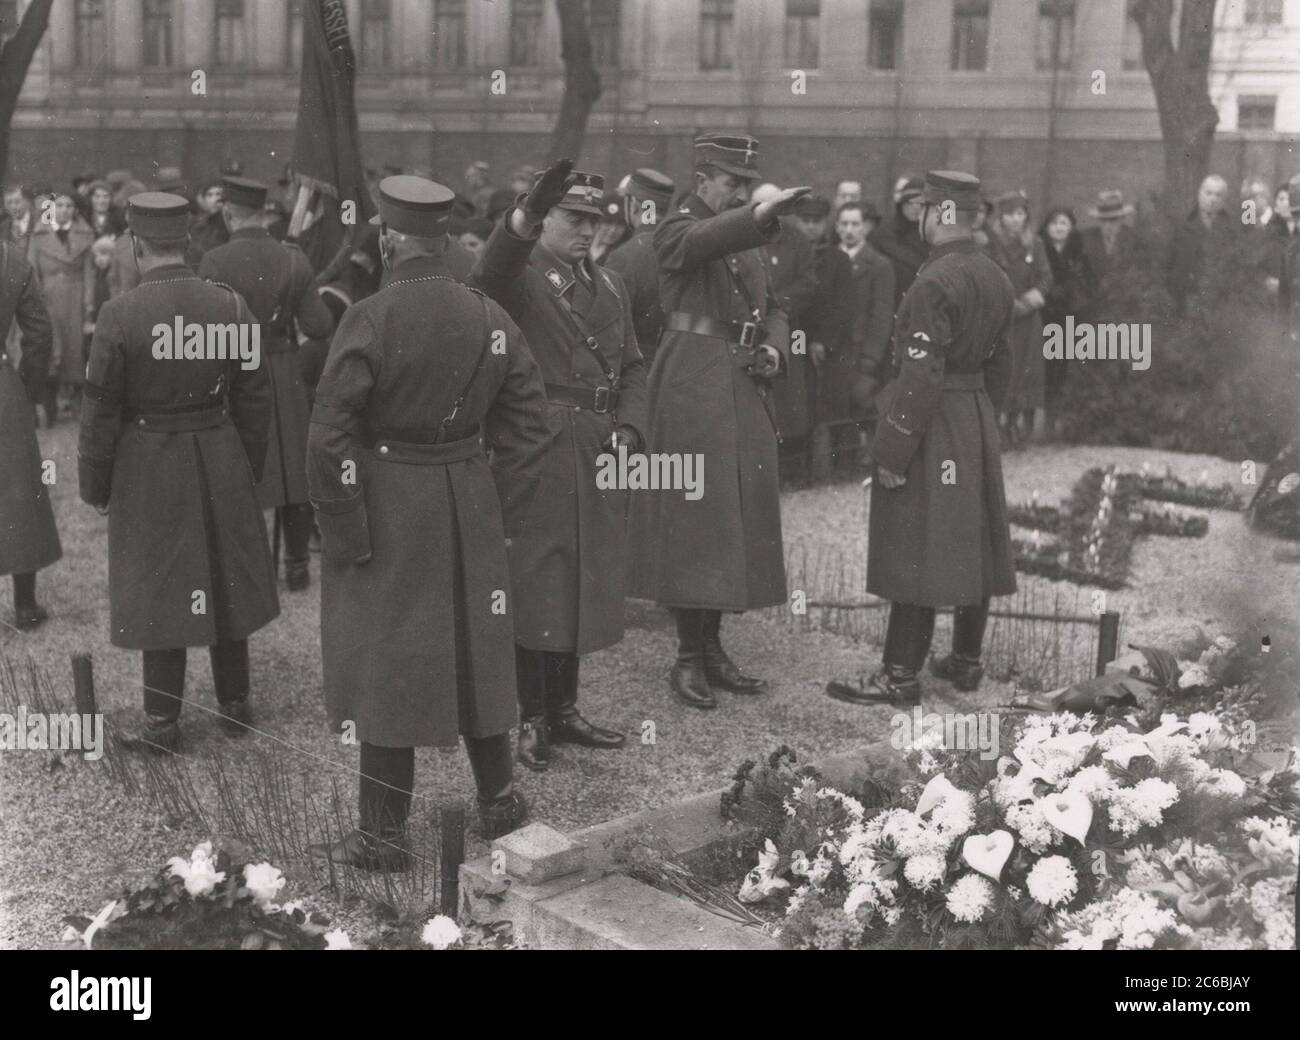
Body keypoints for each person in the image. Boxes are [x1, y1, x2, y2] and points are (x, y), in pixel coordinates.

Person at [307, 175, 550, 866]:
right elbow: (531, 429)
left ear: (387, 240)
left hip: (388, 502)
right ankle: (499, 802)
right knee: (477, 645)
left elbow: (327, 439)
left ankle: (383, 836)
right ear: (444, 240)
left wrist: (345, 527)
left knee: (388, 657)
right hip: (468, 495)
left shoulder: (368, 318)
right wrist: (497, 500)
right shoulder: (488, 315)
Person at [78, 192, 279, 752]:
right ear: (188, 241)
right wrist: (246, 467)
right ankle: (235, 705)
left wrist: (94, 485)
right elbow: (256, 397)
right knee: (225, 574)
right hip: (220, 452)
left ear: (137, 245)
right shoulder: (231, 305)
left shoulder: (119, 316)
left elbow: (99, 412)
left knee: (160, 581)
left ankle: (162, 722)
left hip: (148, 462)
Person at [471, 162, 646, 770]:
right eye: (573, 217)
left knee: (579, 577)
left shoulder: (613, 286)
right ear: (544, 220)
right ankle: (531, 715)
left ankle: (566, 709)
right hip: (538, 443)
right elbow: (489, 271)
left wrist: (630, 427)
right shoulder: (522, 277)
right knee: (534, 578)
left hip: (597, 445)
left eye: (594, 220)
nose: (586, 230)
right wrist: (518, 218)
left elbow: (633, 369)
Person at [629, 133, 807, 710]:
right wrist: (757, 216)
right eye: (732, 181)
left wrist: (776, 351)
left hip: (740, 381)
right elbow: (703, 242)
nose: (741, 191)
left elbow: (775, 306)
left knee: (729, 517)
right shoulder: (678, 227)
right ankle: (687, 656)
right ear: (701, 178)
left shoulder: (746, 236)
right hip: (692, 384)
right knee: (694, 517)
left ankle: (711, 648)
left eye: (747, 184)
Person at [826, 171, 1016, 707]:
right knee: (971, 536)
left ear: (938, 214)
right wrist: (984, 418)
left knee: (916, 541)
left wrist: (893, 448)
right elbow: (1004, 362)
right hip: (974, 413)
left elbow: (920, 374)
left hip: (934, 418)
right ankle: (966, 661)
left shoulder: (933, 282)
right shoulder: (996, 277)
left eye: (926, 211)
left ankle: (898, 675)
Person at [199, 176, 334, 591]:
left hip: (237, 371)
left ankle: (248, 566)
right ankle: (296, 565)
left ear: (227, 213)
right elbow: (319, 324)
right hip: (283, 368)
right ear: (264, 214)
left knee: (241, 465)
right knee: (293, 468)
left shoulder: (214, 261)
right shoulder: (293, 259)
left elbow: (207, 334)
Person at [0, 238, 61, 631]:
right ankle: (24, 606)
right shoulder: (11, 259)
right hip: (2, 388)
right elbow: (39, 335)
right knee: (17, 490)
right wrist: (26, 388)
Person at [751, 182, 820, 484]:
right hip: (751, 328)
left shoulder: (797, 240)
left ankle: (793, 466)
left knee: (791, 395)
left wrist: (775, 306)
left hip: (792, 330)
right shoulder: (745, 237)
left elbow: (808, 283)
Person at [986, 190, 1051, 448]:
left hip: (1028, 319)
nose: (1016, 219)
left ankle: (1018, 424)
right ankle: (999, 426)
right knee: (1004, 370)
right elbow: (987, 276)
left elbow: (1046, 277)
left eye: (1021, 214)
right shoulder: (990, 245)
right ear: (1001, 218)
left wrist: (1028, 301)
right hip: (1000, 319)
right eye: (1011, 214)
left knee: (1026, 371)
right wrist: (1005, 303)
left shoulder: (1035, 244)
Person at [27, 193, 94, 425]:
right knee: (52, 352)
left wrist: (89, 304)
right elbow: (32, 271)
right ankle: (51, 407)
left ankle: (77, 406)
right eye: (60, 205)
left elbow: (90, 273)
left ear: (75, 209)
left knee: (76, 353)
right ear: (51, 208)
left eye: (69, 205)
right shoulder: (39, 235)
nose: (65, 210)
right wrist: (35, 301)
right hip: (49, 298)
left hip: (75, 299)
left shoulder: (85, 235)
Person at [603, 168, 675, 365]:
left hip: (638, 371)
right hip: (676, 368)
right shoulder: (680, 246)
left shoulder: (625, 255)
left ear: (633, 204)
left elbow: (610, 327)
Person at [1038, 206, 1093, 438]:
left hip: (1071, 317)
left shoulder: (1079, 252)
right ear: (1047, 227)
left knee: (1065, 368)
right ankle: (1046, 422)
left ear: (1071, 227)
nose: (1059, 228)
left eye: (1064, 223)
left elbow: (1089, 283)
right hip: (1044, 315)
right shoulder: (1040, 248)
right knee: (1045, 369)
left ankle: (1061, 422)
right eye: (1054, 223)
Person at [1166, 174, 1234, 316]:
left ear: (1224, 200)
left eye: (1218, 195)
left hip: (1220, 303)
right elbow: (1170, 264)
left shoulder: (1232, 228)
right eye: (1208, 193)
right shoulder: (1181, 225)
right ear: (1199, 194)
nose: (1213, 199)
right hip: (1186, 302)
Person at [1078, 189, 1138, 319]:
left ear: (1122, 219)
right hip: (1092, 307)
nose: (1108, 225)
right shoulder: (1085, 238)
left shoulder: (1134, 239)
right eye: (1104, 220)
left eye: (1113, 220)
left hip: (1124, 308)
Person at [869, 177, 927, 308]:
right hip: (891, 302)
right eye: (909, 204)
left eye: (920, 204)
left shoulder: (933, 236)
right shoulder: (883, 234)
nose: (915, 208)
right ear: (901, 205)